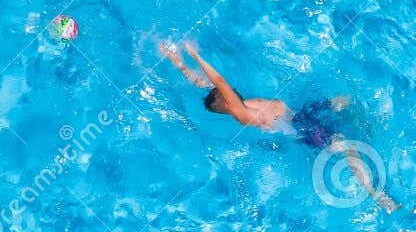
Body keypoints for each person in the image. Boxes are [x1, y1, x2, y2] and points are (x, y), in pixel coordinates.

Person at [159, 40, 396, 211]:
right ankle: (377, 194)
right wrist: (196, 54)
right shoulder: (239, 112)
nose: (221, 90)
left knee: (345, 101)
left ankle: (370, 127)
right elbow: (218, 81)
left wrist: (178, 61)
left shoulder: (243, 102)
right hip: (302, 130)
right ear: (223, 103)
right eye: (222, 94)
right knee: (344, 145)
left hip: (303, 115)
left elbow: (201, 82)